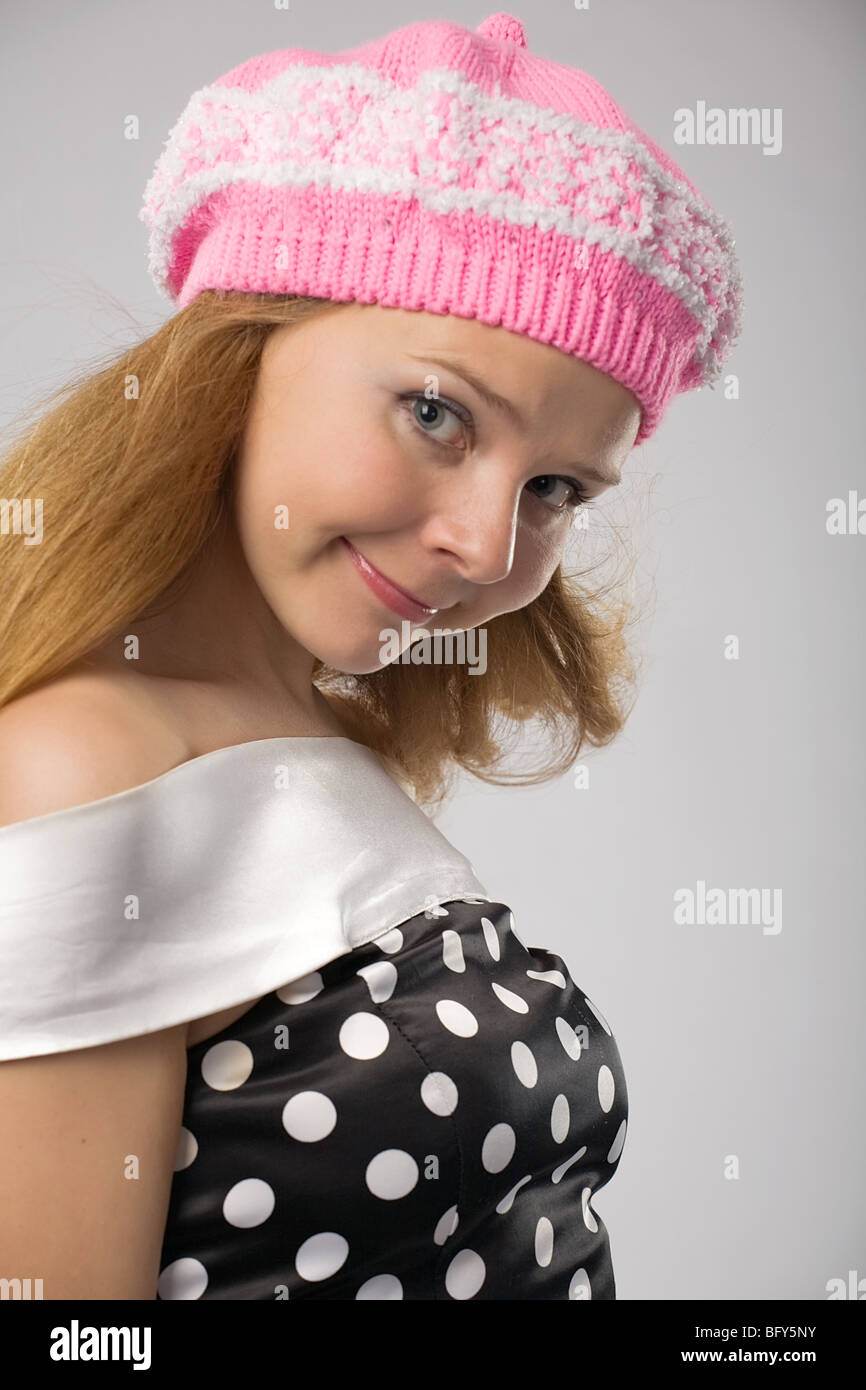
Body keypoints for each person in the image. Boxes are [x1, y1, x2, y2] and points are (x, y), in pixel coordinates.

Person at [0, 13, 743, 1300]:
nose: (482, 541)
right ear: (238, 341)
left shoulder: (301, 732)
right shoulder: (89, 764)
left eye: (557, 485)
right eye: (437, 412)